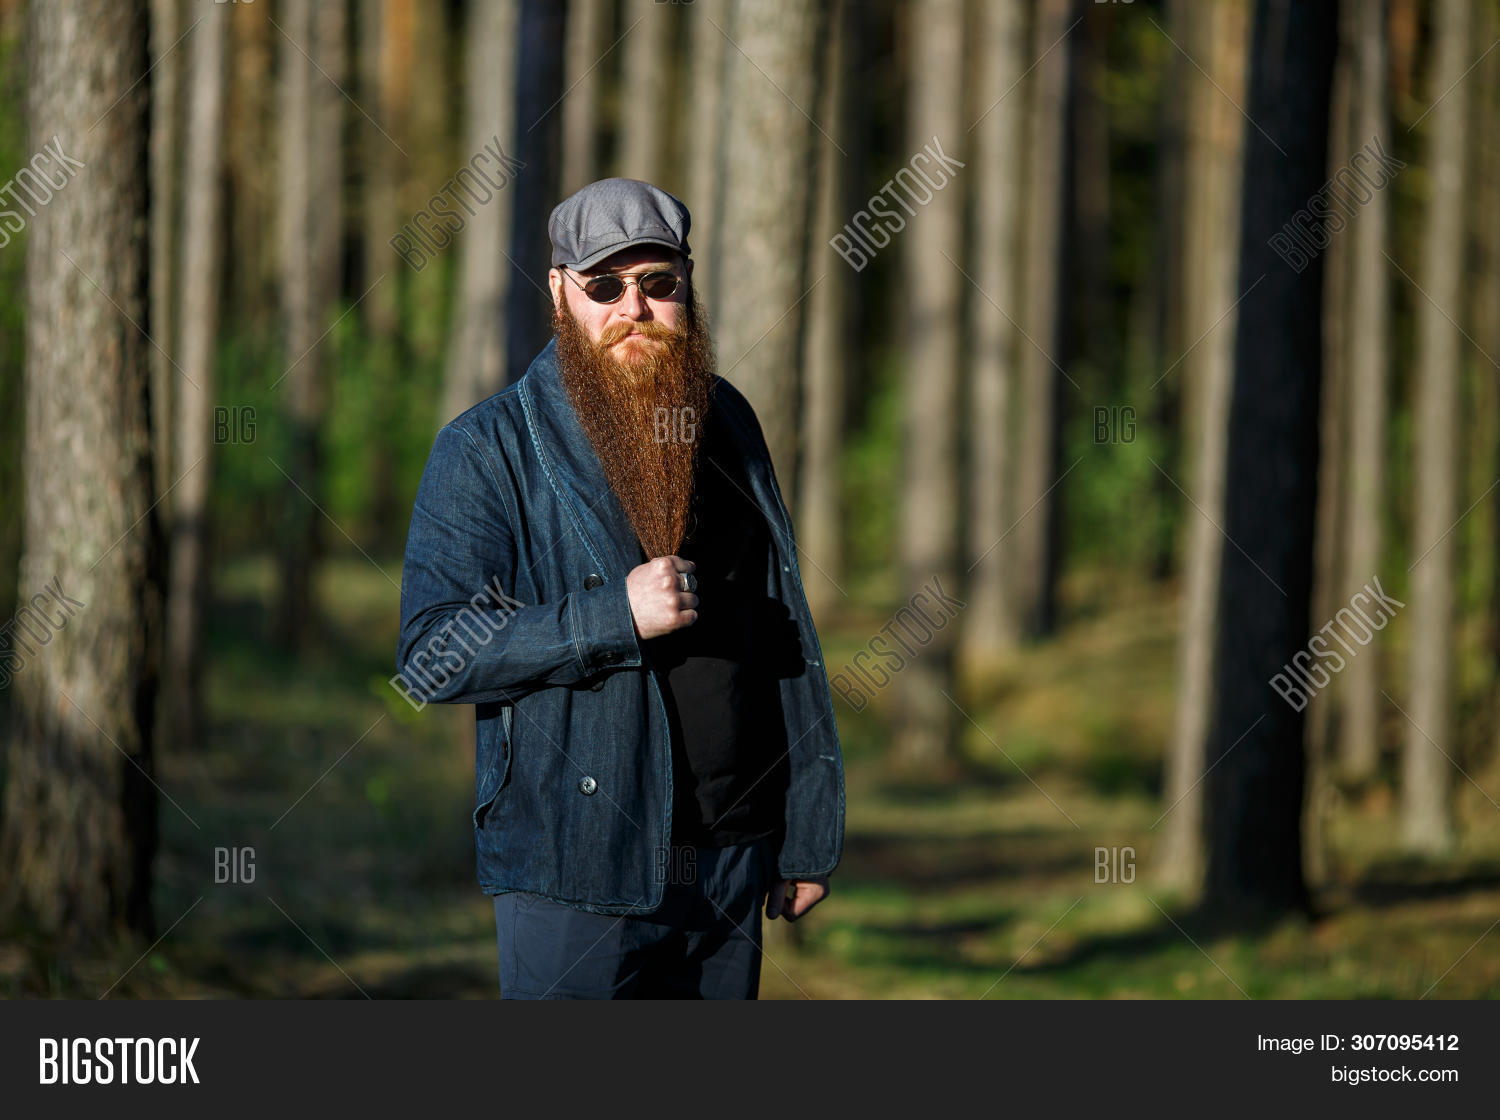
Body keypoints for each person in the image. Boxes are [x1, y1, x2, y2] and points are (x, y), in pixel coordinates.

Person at [396, 177, 845, 998]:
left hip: (731, 864)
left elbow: (781, 627)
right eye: (604, 285)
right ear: (561, 294)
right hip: (579, 868)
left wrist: (804, 827)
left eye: (658, 283)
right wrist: (612, 616)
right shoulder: (488, 448)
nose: (632, 308)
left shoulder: (730, 421)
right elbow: (431, 655)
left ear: (687, 286)